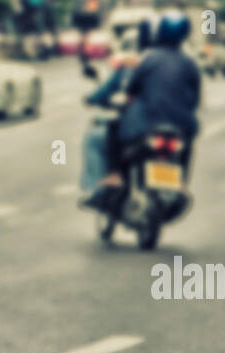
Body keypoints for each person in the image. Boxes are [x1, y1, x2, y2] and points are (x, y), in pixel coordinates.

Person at [80, 11, 201, 209]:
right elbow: (195, 99)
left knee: (113, 127)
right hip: (181, 125)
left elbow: (130, 90)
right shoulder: (189, 64)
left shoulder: (146, 60)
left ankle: (115, 174)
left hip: (145, 124)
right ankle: (182, 183)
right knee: (188, 142)